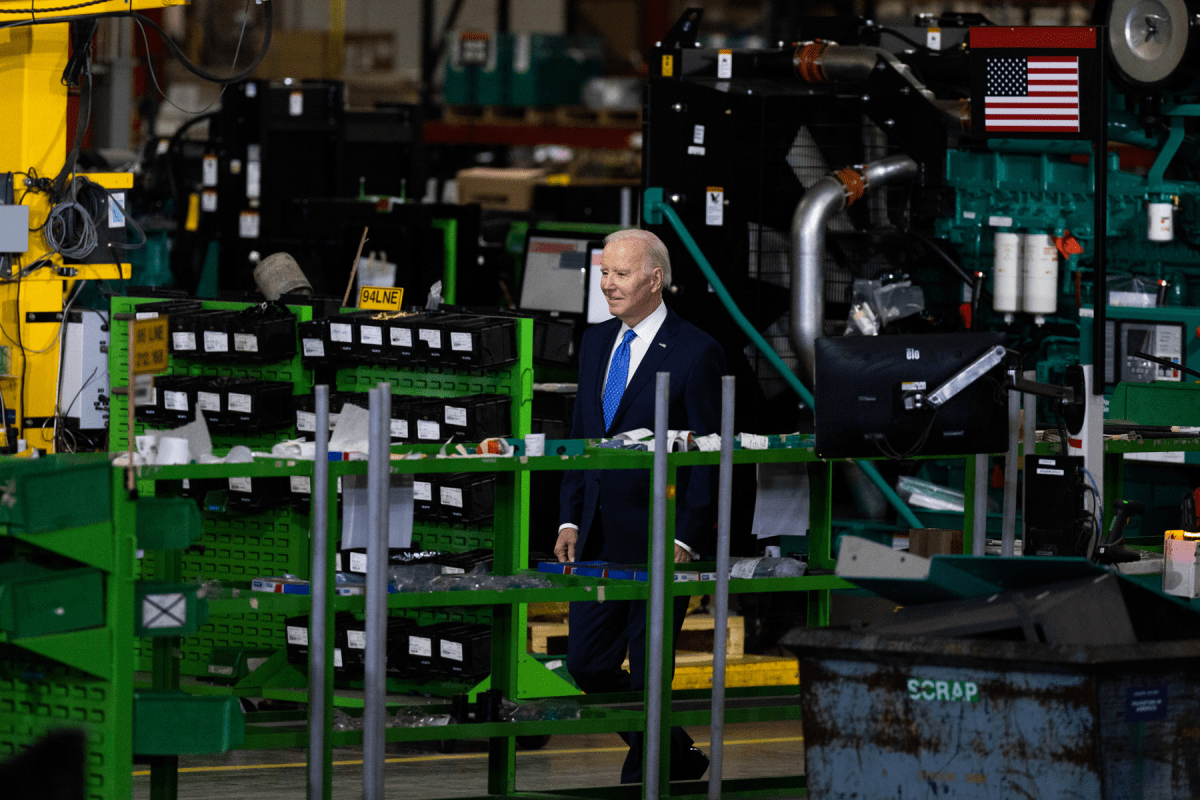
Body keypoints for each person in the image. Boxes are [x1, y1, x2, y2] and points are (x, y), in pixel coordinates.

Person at [555, 228, 725, 784]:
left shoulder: (697, 351)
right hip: (599, 535)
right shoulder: (597, 341)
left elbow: (707, 455)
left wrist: (686, 538)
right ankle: (673, 751)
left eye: (620, 274)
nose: (608, 285)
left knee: (652, 668)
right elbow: (584, 435)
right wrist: (571, 516)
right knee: (586, 662)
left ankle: (644, 779)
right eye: (604, 273)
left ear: (655, 279)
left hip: (660, 538)